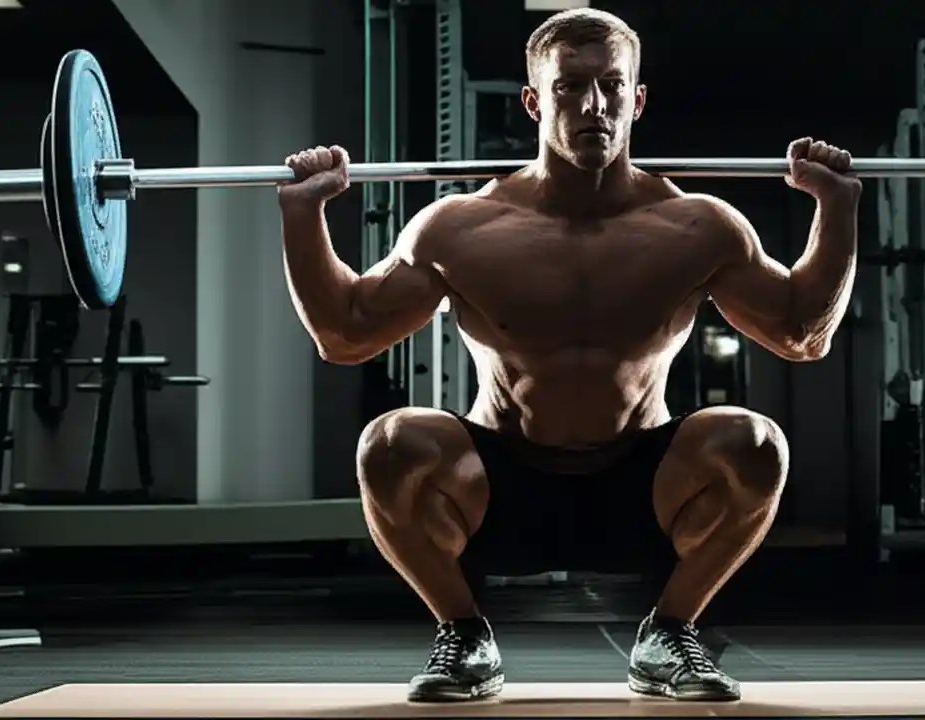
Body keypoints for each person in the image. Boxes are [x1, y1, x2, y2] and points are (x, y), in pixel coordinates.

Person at [277, 7, 859, 704]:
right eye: (568, 87)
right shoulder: (462, 229)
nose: (593, 105)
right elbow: (345, 335)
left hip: (644, 489)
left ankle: (669, 633)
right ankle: (463, 636)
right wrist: (302, 216)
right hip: (499, 488)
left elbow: (803, 333)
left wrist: (838, 208)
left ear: (637, 99)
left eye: (613, 86)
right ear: (533, 99)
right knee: (391, 445)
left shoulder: (697, 227)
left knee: (754, 444)